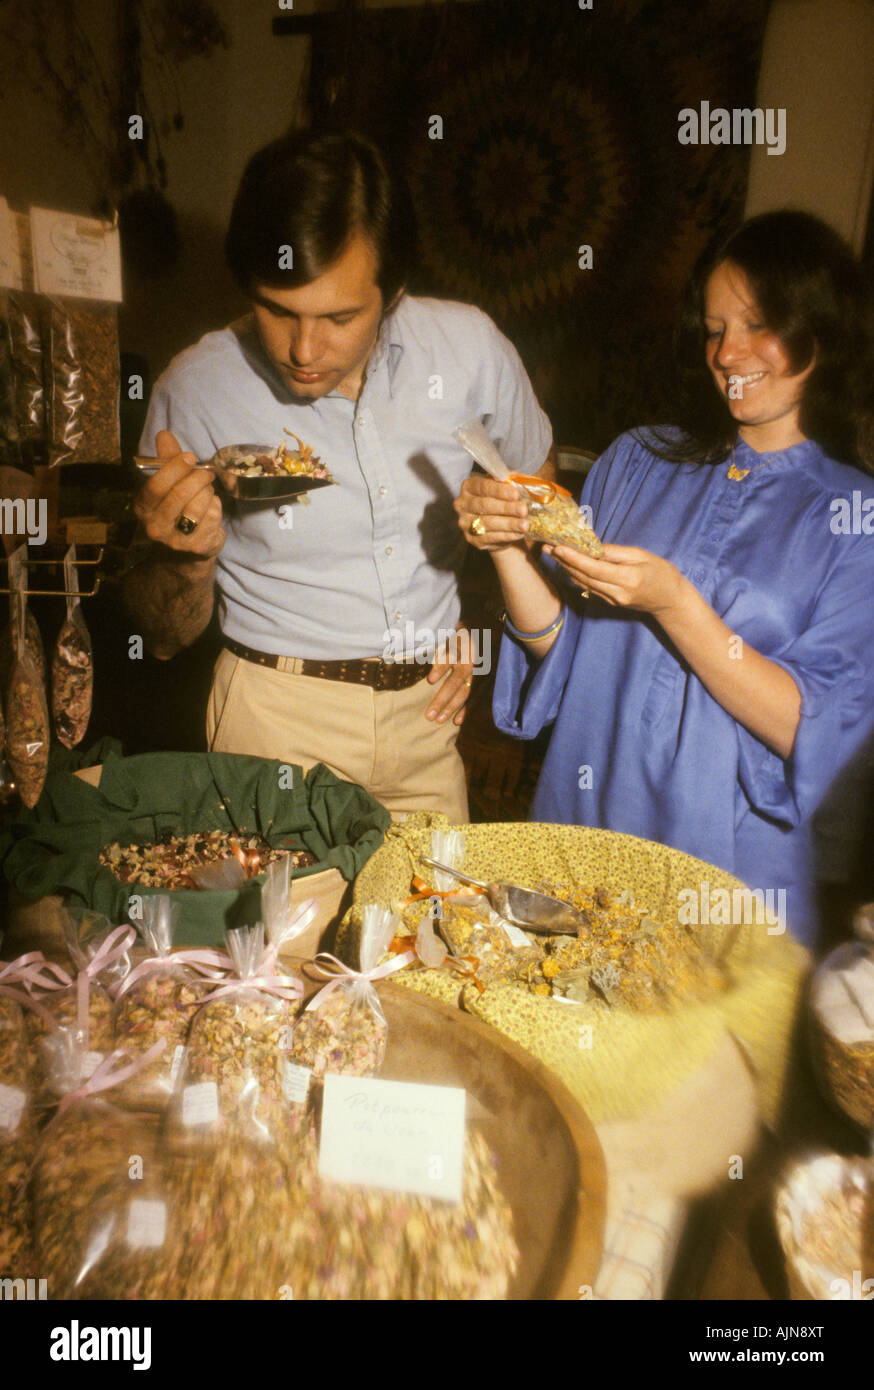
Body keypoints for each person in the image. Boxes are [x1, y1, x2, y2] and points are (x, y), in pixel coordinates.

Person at [454, 209, 874, 946]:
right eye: (714, 329)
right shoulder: (638, 459)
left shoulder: (853, 517)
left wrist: (676, 604)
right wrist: (506, 547)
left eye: (758, 324)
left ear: (824, 329)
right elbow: (565, 661)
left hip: (728, 877)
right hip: (582, 830)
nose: (728, 353)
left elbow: (819, 731)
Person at [124, 129, 553, 820]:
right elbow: (162, 634)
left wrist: (485, 615)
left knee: (438, 927)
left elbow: (537, 493)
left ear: (396, 290)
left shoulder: (470, 349)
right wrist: (185, 561)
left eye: (340, 317)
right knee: (273, 933)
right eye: (277, 309)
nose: (303, 349)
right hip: (275, 724)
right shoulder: (194, 388)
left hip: (429, 728)